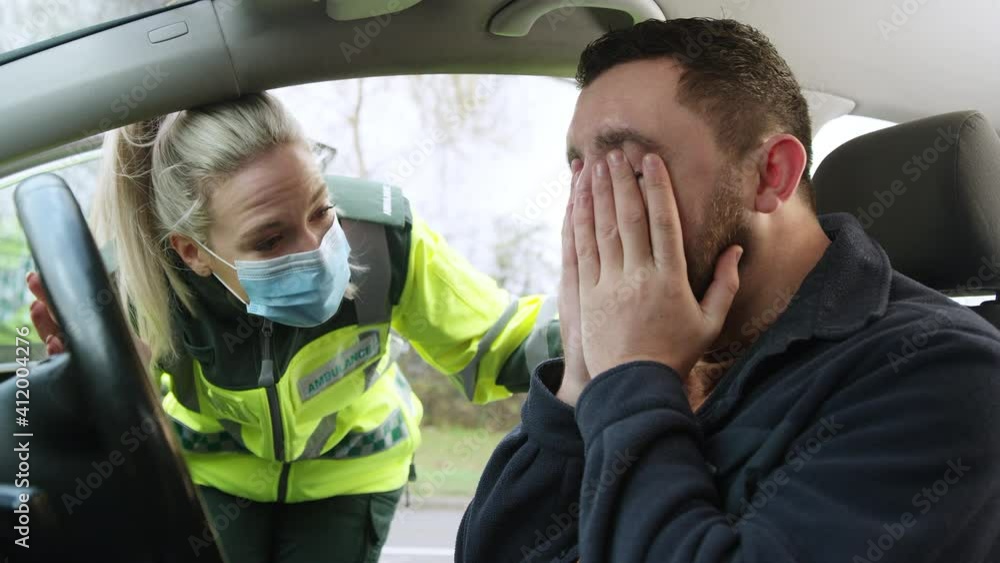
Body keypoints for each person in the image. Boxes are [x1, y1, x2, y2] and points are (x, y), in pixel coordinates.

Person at [456, 18, 1000, 563]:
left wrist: (634, 376)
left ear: (771, 176)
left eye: (626, 165)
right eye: (580, 168)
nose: (593, 206)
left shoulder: (944, 372)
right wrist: (581, 381)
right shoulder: (657, 346)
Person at [26, 92, 561, 563]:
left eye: (320, 209)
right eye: (269, 240)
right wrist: (86, 381)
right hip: (217, 477)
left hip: (353, 473)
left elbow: (502, 341)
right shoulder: (145, 284)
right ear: (193, 252)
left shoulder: (379, 239)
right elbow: (124, 415)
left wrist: (613, 328)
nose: (317, 250)